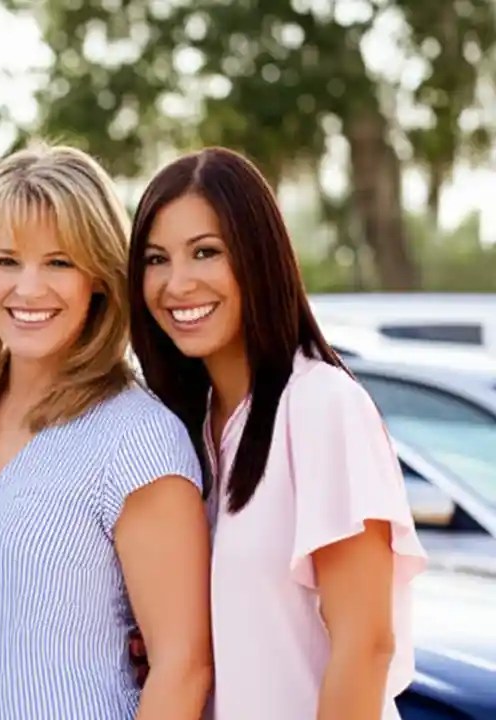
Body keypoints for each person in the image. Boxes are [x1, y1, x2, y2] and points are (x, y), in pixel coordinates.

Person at [0, 143, 213, 719]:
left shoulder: (136, 439)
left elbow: (184, 665)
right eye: (6, 261)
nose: (28, 289)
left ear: (98, 277)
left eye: (59, 262)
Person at [128, 146, 428, 720]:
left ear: (258, 257)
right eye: (156, 259)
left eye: (206, 252)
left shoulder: (320, 405)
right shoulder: (185, 427)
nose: (177, 283)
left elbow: (365, 647)